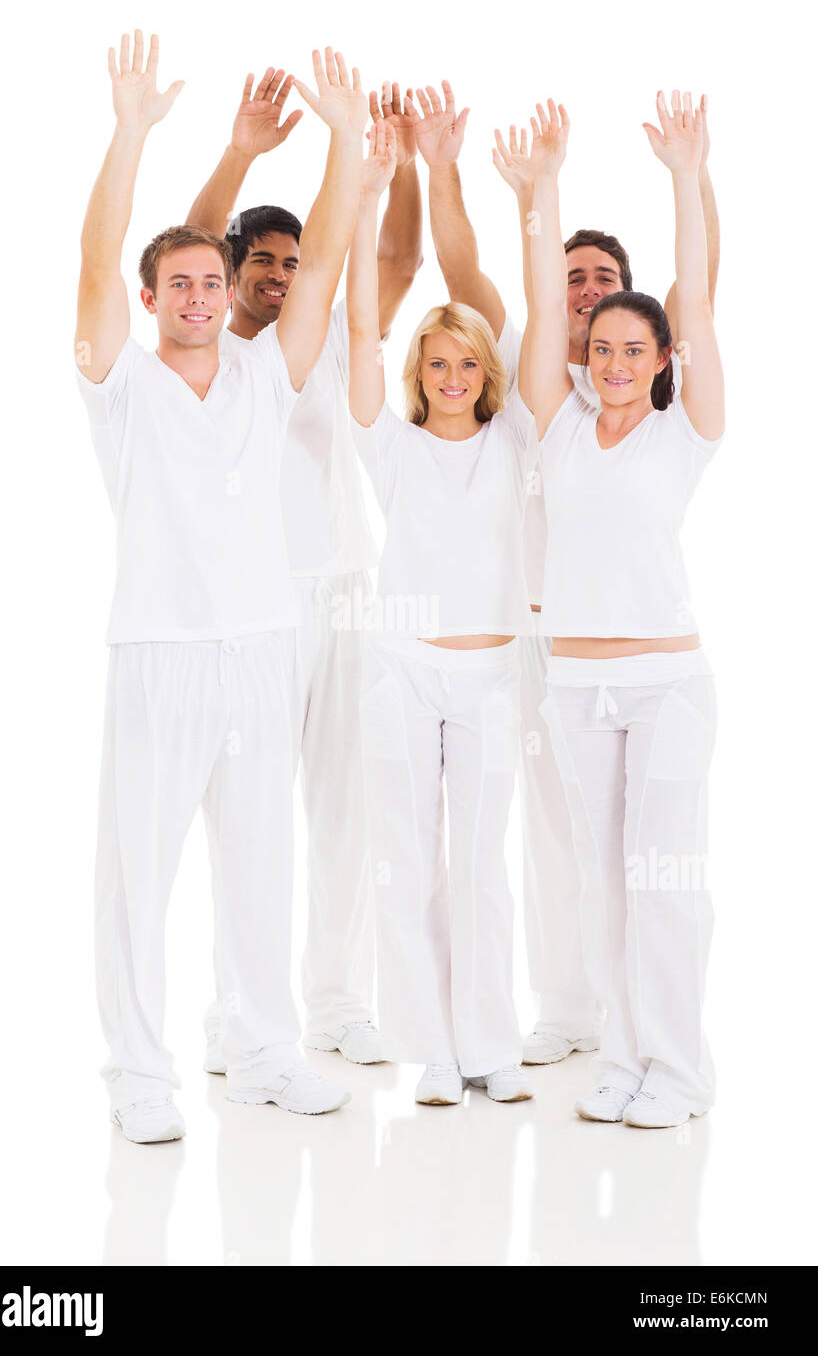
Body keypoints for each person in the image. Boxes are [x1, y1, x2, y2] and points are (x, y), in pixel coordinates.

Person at [75, 34, 366, 1140]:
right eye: (180, 281)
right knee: (137, 876)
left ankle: (262, 1048)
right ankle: (139, 1078)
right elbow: (96, 261)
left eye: (212, 279)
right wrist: (132, 130)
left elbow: (329, 264)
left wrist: (345, 139)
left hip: (260, 646)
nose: (200, 293)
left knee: (260, 865)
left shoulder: (259, 369)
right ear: (153, 298)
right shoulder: (122, 383)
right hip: (159, 653)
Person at [413, 80, 719, 1067]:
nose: (582, 290)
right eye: (571, 280)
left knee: (649, 860)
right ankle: (573, 1012)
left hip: (638, 651)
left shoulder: (659, 400)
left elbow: (698, 292)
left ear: (644, 334)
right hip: (536, 638)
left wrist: (689, 172)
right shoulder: (538, 383)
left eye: (600, 280)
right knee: (567, 844)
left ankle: (656, 1043)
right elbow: (480, 277)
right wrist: (459, 172)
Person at [495, 92, 723, 1127]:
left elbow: (700, 300)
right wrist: (537, 195)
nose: (615, 362)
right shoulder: (556, 425)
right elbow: (545, 309)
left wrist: (685, 176)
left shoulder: (680, 432)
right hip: (575, 686)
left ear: (660, 359)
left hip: (662, 685)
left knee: (662, 878)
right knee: (601, 882)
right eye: (603, 351)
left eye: (636, 350)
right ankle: (625, 1060)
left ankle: (677, 1071)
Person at [187, 70, 423, 1069]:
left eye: (293, 262)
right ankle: (240, 1013)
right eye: (264, 262)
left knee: (346, 804)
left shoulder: (320, 338)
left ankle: (335, 1000)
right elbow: (182, 243)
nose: (282, 275)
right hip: (247, 611)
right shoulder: (195, 357)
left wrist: (399, 163)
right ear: (230, 269)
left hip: (343, 597)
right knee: (247, 814)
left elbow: (396, 257)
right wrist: (242, 149)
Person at [347, 120, 535, 1106]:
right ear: (417, 372)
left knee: (480, 866)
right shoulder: (389, 441)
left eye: (465, 364)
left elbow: (521, 311)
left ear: (483, 371)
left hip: (490, 673)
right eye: (436, 365)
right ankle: (427, 1047)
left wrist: (447, 167)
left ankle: (488, 1044)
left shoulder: (514, 439)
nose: (452, 379)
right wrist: (375, 182)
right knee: (405, 858)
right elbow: (355, 333)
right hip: (403, 669)